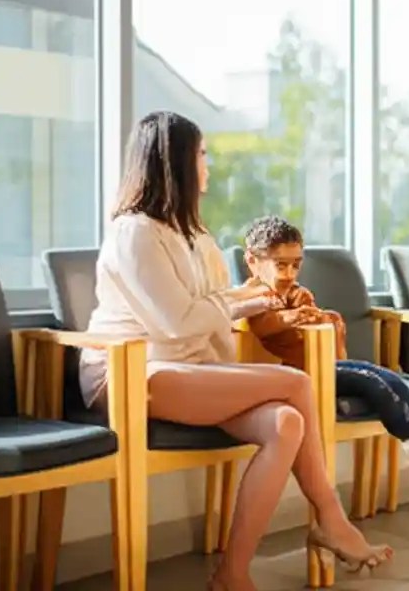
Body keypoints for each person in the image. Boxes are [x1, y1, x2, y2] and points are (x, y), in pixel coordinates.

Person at [78, 111, 391, 591]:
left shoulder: (197, 237)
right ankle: (331, 518)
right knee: (297, 382)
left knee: (286, 422)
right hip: (127, 373)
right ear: (177, 161)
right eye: (202, 155)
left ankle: (232, 572)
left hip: (188, 372)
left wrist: (237, 360)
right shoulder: (134, 232)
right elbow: (178, 323)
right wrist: (241, 302)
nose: (209, 166)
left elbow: (211, 328)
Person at [239, 214, 409, 488]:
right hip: (296, 376)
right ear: (252, 261)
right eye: (280, 266)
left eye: (296, 266)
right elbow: (263, 325)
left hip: (325, 367)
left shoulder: (298, 295)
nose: (289, 275)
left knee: (382, 377)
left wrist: (319, 318)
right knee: (377, 380)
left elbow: (315, 319)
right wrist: (294, 318)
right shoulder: (251, 296)